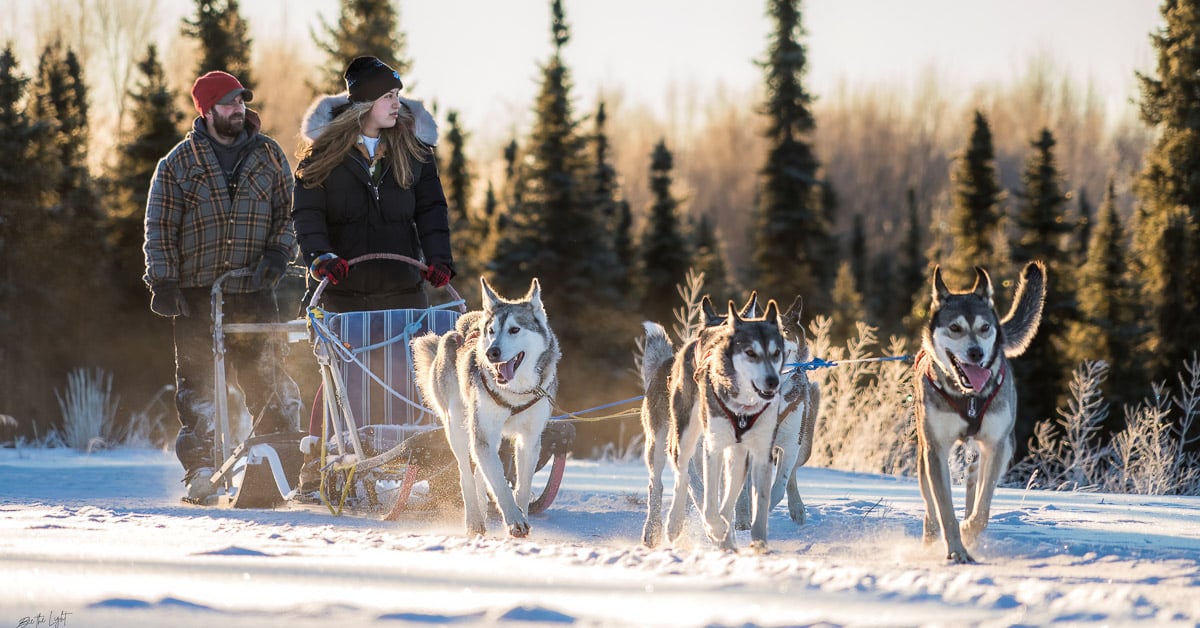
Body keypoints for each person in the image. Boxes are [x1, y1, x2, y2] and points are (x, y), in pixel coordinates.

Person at [290, 56, 455, 498]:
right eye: (387, 96)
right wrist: (321, 257)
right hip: (344, 289)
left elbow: (431, 211)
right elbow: (307, 216)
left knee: (416, 379)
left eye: (398, 95)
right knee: (341, 380)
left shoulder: (414, 153)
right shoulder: (323, 156)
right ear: (363, 102)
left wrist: (439, 258)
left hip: (404, 287)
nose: (396, 104)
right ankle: (317, 465)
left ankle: (437, 465)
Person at [143, 70, 302, 502]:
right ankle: (202, 470)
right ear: (207, 110)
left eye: (242, 102)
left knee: (268, 379)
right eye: (230, 103)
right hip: (196, 294)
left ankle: (282, 464)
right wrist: (163, 280)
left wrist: (277, 253)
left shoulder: (268, 155)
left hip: (254, 290)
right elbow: (159, 225)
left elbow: (291, 212)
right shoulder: (179, 162)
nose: (239, 110)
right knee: (198, 388)